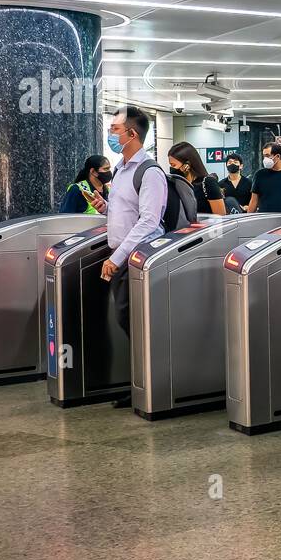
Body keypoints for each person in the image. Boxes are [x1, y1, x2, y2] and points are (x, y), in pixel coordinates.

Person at [80, 106, 167, 407]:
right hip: (122, 256)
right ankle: (138, 383)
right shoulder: (120, 169)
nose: (110, 133)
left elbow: (149, 221)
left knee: (133, 321)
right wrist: (104, 206)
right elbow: (126, 213)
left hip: (136, 258)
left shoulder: (150, 172)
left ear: (132, 134)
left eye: (115, 129)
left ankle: (148, 384)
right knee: (126, 319)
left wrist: (117, 258)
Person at [167, 142, 225, 216]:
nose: (172, 168)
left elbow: (220, 216)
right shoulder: (177, 185)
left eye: (173, 165)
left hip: (206, 227)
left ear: (186, 165)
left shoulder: (208, 183)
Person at [247, 141, 281, 213]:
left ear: (277, 156)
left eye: (267, 155)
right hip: (265, 218)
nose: (265, 159)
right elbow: (254, 200)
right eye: (264, 156)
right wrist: (249, 218)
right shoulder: (259, 175)